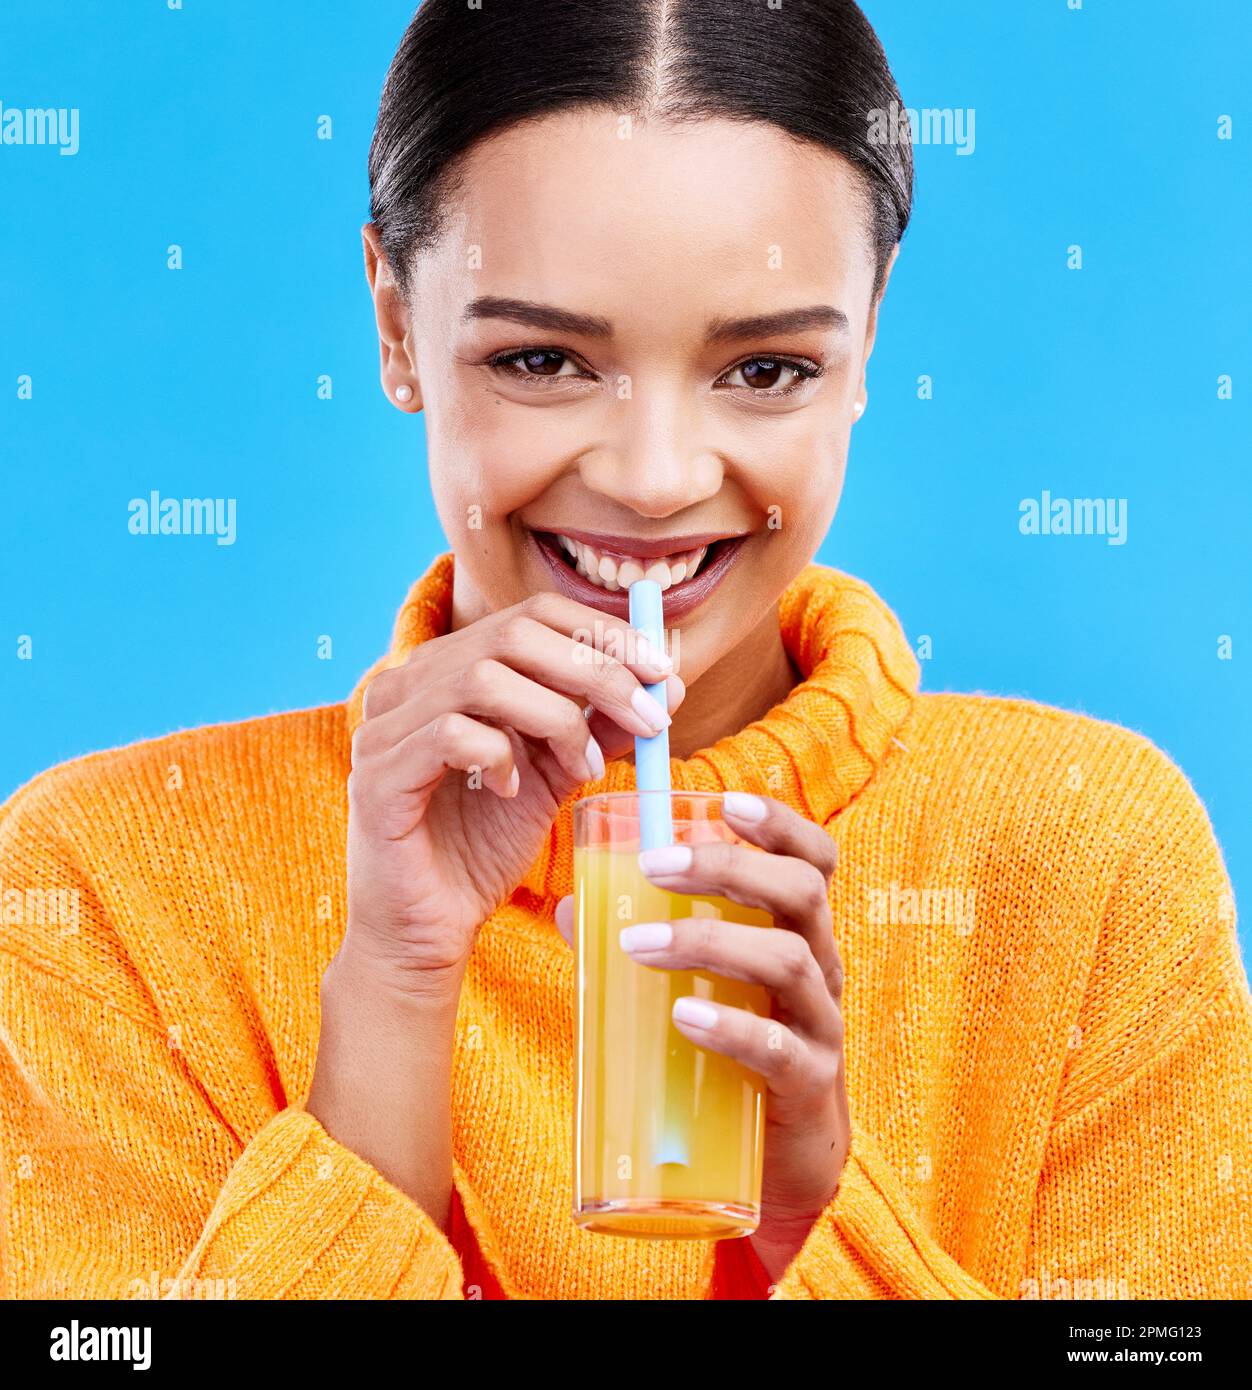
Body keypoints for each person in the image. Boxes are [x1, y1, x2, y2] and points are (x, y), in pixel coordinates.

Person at [2, 0, 1249, 1300]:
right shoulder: (101, 889)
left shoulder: (1092, 860)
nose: (655, 481)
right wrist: (390, 989)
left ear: (868, 336)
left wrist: (819, 1225)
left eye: (766, 369)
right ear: (392, 322)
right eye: (541, 358)